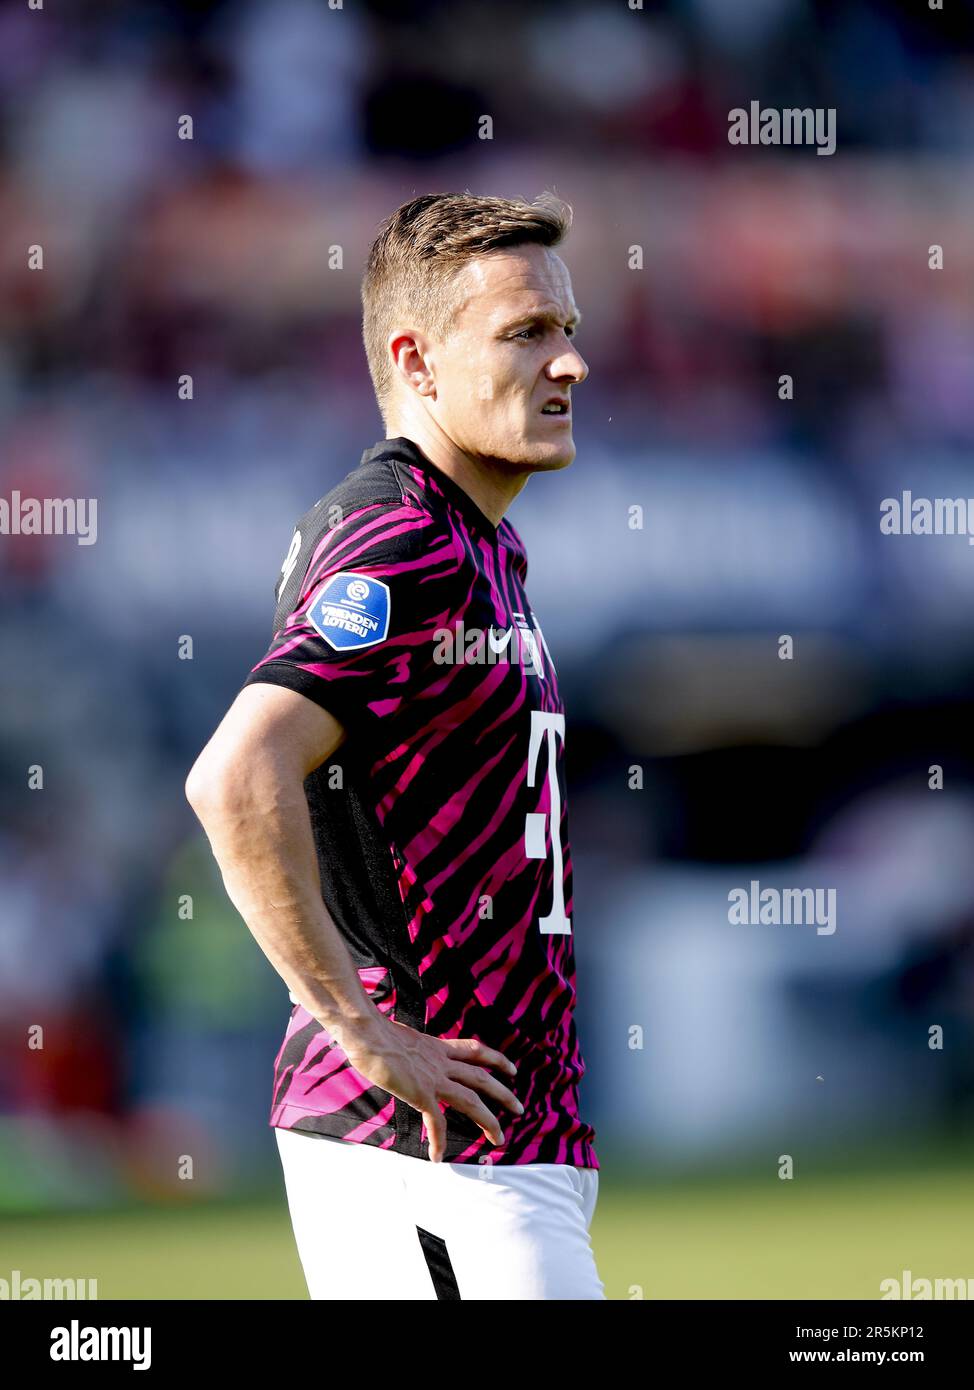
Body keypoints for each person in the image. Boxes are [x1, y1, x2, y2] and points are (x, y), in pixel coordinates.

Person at [185, 191, 603, 1299]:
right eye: (524, 334)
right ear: (416, 362)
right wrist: (364, 1029)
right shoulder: (400, 536)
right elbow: (235, 774)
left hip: (490, 1140)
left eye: (565, 330)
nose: (568, 364)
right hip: (425, 1144)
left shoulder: (479, 544)